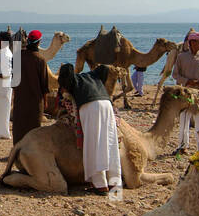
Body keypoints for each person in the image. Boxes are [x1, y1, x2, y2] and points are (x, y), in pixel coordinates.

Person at [57, 63, 121, 194]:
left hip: (90, 107)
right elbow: (104, 69)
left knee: (93, 144)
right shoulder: (92, 76)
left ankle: (100, 185)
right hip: (106, 104)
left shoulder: (73, 82)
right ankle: (115, 183)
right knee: (111, 144)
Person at [170, 30, 199, 154]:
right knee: (184, 121)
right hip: (186, 93)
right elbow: (175, 74)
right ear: (192, 42)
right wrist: (187, 81)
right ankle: (182, 146)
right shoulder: (182, 57)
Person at [12, 30, 50, 144]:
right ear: (39, 42)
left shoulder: (17, 57)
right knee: (34, 127)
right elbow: (44, 84)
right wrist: (46, 101)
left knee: (19, 126)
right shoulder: (40, 60)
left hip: (20, 99)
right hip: (35, 100)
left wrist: (15, 94)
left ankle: (17, 149)